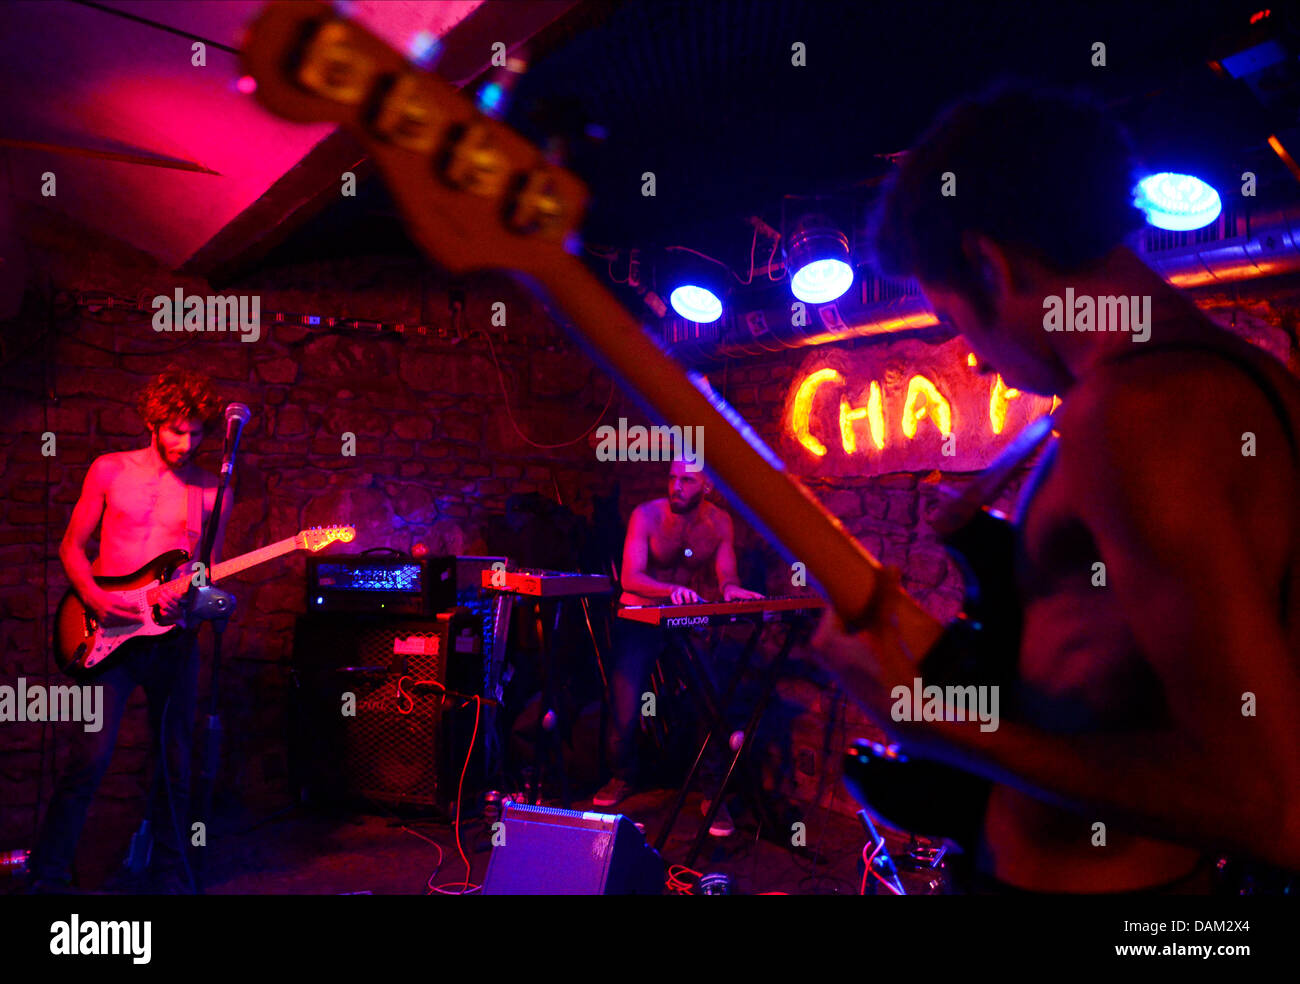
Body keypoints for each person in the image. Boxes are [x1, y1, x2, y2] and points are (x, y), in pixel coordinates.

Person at [813, 83, 1300, 892]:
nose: (971, 354)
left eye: (953, 319)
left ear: (988, 262)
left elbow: (1270, 804)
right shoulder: (1256, 387)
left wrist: (931, 724)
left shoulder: (1137, 413)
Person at [27, 367, 233, 894]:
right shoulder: (109, 470)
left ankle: (169, 874)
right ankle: (48, 875)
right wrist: (96, 599)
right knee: (89, 759)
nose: (187, 444)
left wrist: (186, 593)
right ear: (152, 422)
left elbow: (205, 569)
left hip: (172, 638)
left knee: (176, 762)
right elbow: (72, 546)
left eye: (197, 433)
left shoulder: (211, 491)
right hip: (106, 636)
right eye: (176, 431)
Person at [594, 459, 763, 837]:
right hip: (640, 615)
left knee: (710, 696)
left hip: (681, 616)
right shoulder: (646, 516)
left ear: (707, 487)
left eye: (687, 480)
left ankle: (712, 792)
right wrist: (670, 591)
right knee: (625, 700)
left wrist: (731, 589)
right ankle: (622, 776)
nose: (676, 487)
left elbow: (726, 574)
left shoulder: (719, 523)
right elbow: (632, 576)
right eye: (672, 478)